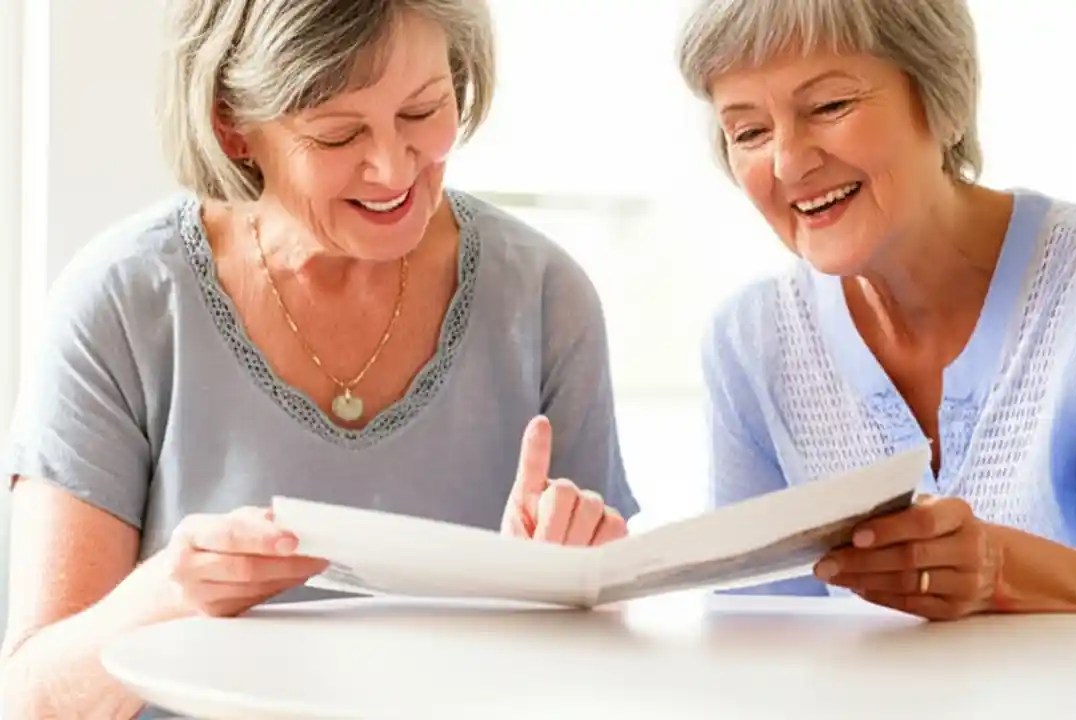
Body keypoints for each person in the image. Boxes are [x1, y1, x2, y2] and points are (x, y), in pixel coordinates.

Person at [0, 1, 636, 717]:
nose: (393, 167)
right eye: (338, 135)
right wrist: (171, 593)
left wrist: (554, 598)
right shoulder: (120, 306)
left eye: (424, 110)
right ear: (233, 128)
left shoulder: (545, 298)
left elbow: (607, 678)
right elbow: (33, 700)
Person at [676, 0, 1076, 630]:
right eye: (748, 132)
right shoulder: (750, 341)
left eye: (829, 107)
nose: (788, 164)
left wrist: (1000, 569)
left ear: (943, 100)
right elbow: (758, 633)